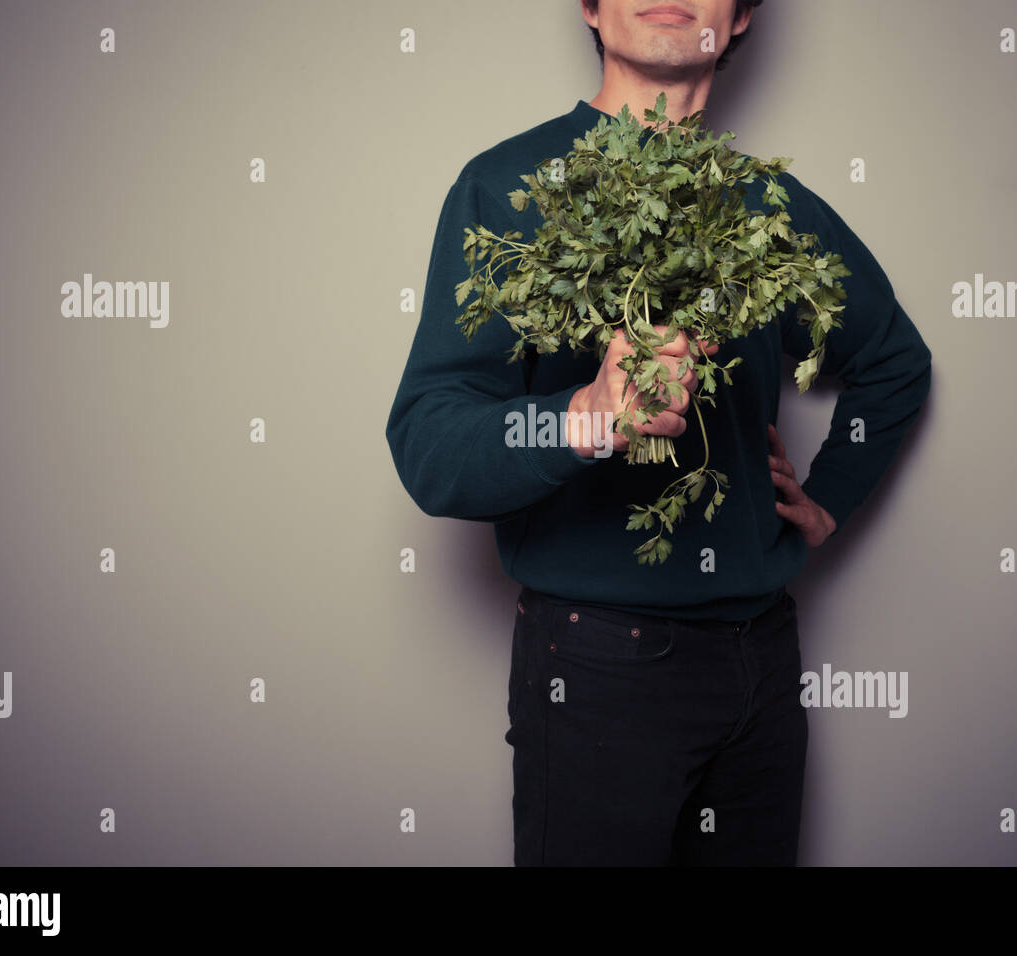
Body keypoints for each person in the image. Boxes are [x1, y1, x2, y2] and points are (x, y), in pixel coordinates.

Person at [385, 0, 932, 865]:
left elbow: (894, 360)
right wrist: (585, 417)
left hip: (763, 660)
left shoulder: (769, 208)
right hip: (597, 667)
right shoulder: (505, 187)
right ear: (589, 6)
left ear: (743, 16)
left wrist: (828, 500)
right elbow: (429, 443)